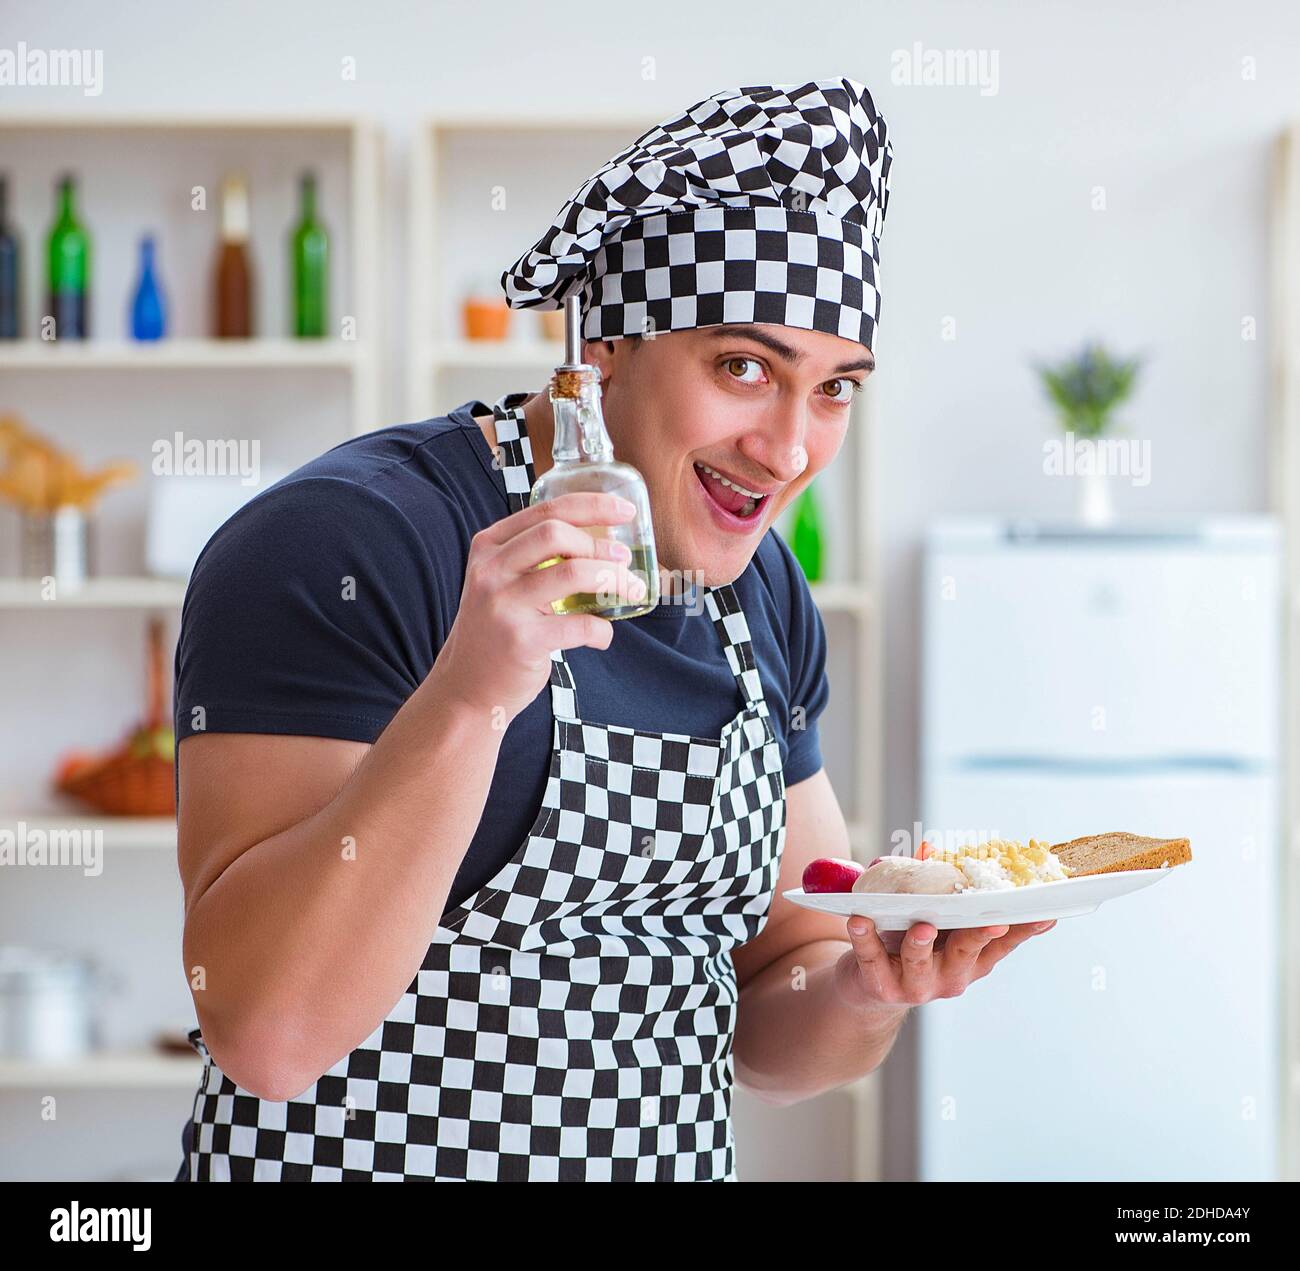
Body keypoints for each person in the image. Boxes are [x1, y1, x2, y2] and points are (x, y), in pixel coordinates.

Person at [172, 77, 1054, 1182]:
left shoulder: (760, 591)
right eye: (744, 367)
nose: (787, 450)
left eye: (834, 389)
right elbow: (267, 1036)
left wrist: (865, 984)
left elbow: (779, 1009)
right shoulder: (349, 543)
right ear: (600, 353)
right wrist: (472, 695)